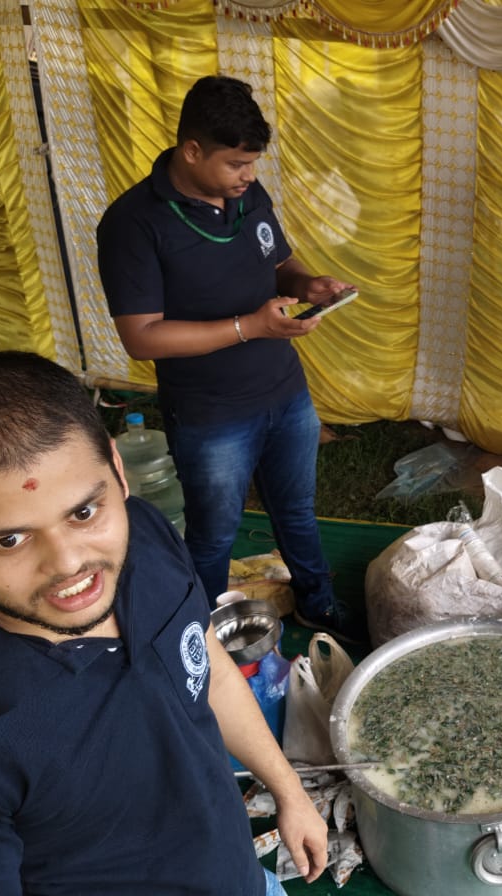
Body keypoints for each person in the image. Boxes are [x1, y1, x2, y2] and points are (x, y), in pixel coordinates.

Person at [0, 352, 327, 896]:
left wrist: (288, 790)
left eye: (84, 512)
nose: (69, 564)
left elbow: (205, 665)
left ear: (118, 471)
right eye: (10, 539)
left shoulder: (143, 537)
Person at [97, 75, 352, 635]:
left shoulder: (247, 196)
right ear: (192, 150)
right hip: (211, 412)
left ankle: (317, 602)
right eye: (236, 163)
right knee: (214, 534)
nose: (248, 176)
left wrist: (307, 284)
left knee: (296, 510)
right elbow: (142, 336)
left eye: (253, 163)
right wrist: (250, 327)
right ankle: (204, 634)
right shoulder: (132, 224)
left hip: (284, 391)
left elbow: (277, 262)